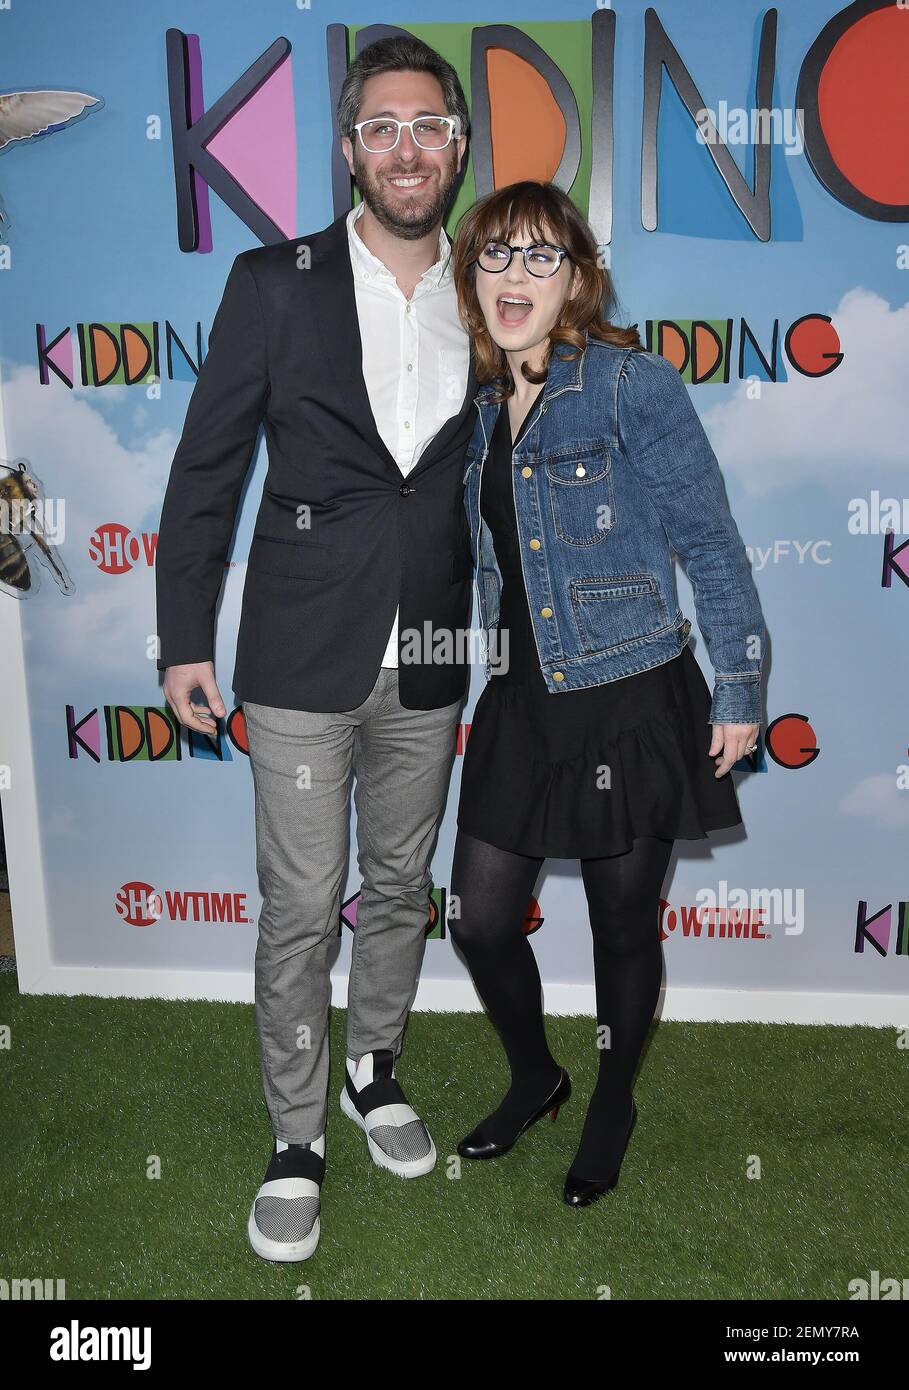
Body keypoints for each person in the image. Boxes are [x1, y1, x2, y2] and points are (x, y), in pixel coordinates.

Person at [155, 36, 477, 1260]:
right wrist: (185, 633)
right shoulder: (272, 282)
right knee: (300, 909)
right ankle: (298, 1136)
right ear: (349, 150)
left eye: (429, 127)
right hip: (297, 649)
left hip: (437, 640)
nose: (408, 148)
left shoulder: (490, 286)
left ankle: (374, 1070)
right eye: (383, 128)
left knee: (400, 885)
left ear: (457, 145)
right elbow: (209, 466)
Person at [447, 180, 766, 1207]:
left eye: (543, 257)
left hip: (632, 689)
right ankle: (538, 1073)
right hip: (524, 699)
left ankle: (613, 1099)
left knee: (625, 927)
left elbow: (709, 540)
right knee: (481, 919)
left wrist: (739, 683)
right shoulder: (474, 415)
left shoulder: (633, 385)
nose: (515, 276)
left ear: (579, 280)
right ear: (472, 277)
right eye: (496, 254)